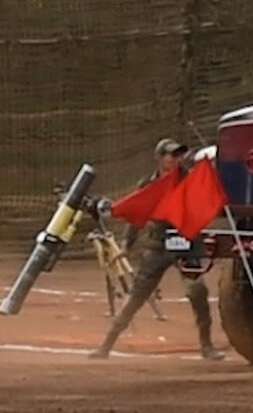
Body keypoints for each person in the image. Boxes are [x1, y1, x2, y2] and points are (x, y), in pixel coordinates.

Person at [89, 139, 224, 361]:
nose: (176, 159)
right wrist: (126, 244)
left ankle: (207, 345)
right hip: (159, 244)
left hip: (185, 241)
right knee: (137, 295)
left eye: (179, 155)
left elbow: (205, 198)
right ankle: (107, 345)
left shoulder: (191, 179)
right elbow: (138, 214)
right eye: (171, 155)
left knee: (197, 292)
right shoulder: (149, 184)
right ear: (159, 158)